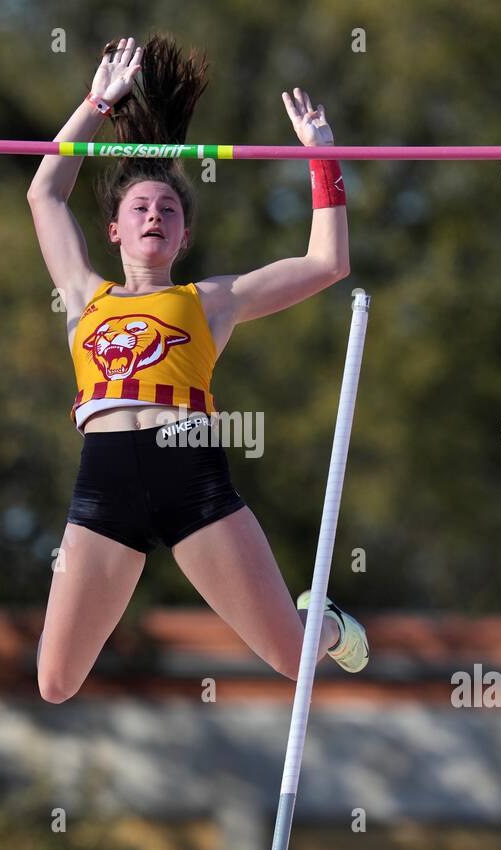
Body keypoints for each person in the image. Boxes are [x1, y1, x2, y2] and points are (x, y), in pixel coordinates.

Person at [26, 33, 368, 704]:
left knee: (293, 658)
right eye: (140, 208)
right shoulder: (82, 295)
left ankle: (326, 622)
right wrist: (97, 103)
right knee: (55, 682)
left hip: (191, 477)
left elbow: (328, 263)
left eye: (170, 210)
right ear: (115, 230)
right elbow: (46, 194)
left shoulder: (213, 300)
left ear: (184, 236)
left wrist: (321, 157)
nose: (155, 214)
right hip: (104, 487)